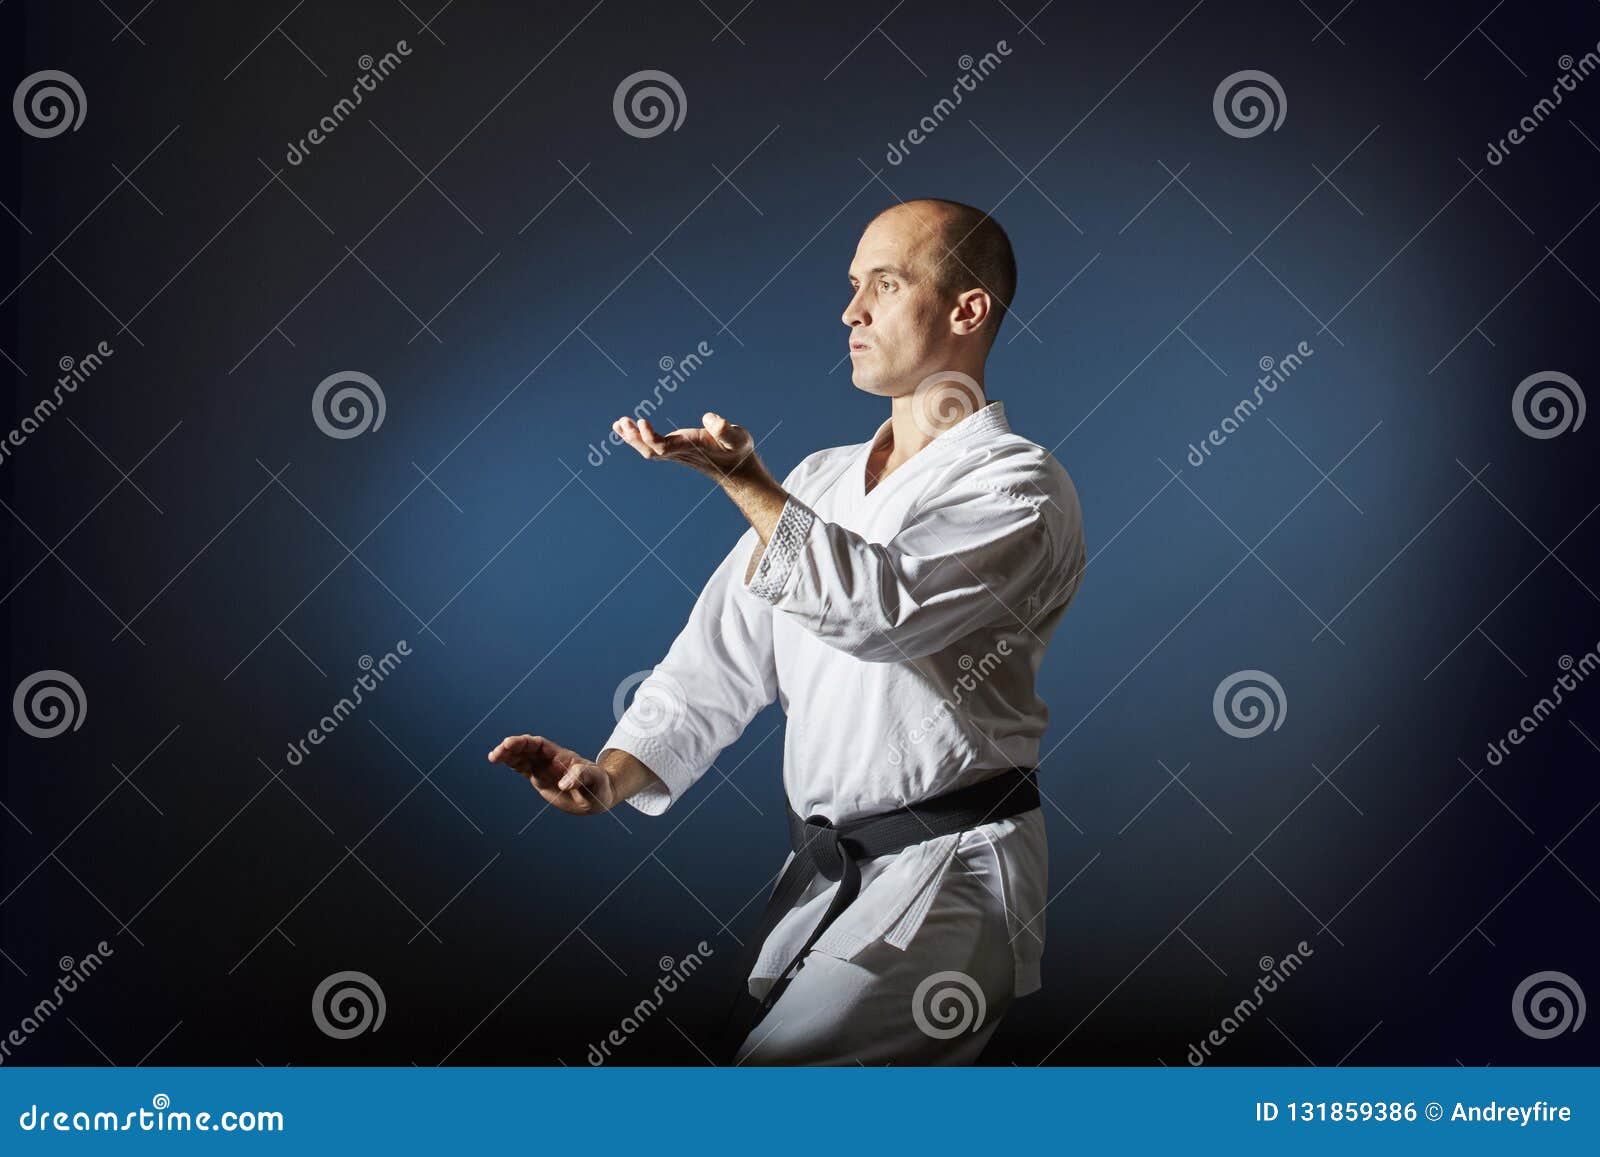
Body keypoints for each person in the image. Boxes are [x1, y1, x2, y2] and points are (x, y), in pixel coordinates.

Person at [488, 198, 1086, 1064]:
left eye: (885, 284)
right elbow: (716, 661)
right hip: (837, 876)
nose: (852, 312)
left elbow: (881, 611)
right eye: (852, 287)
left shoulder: (1020, 486)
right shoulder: (823, 477)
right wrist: (610, 776)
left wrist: (747, 485)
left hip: (947, 876)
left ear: (967, 310)